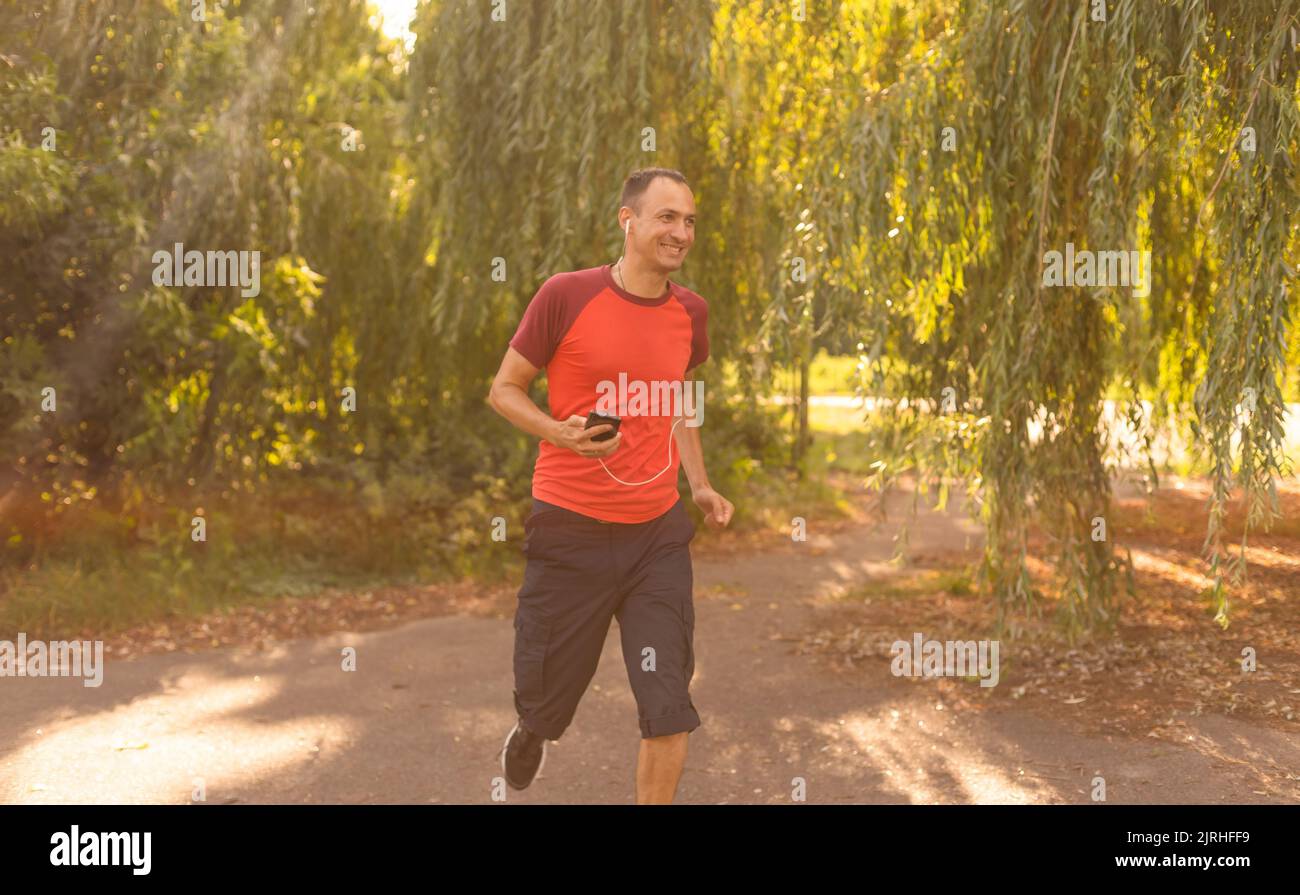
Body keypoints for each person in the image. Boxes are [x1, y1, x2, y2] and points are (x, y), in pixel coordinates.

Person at [487, 167, 734, 804]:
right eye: (667, 218)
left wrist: (699, 483)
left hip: (658, 533)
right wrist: (558, 431)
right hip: (569, 526)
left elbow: (678, 399)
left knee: (668, 701)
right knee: (546, 690)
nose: (681, 232)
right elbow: (503, 390)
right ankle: (534, 727)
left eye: (689, 221)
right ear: (628, 221)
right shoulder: (566, 296)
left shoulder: (691, 313)